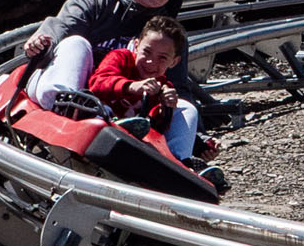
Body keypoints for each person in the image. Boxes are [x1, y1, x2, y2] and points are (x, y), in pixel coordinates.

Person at [22, 0, 206, 155]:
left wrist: (199, 137)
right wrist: (43, 41)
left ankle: (177, 162)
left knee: (186, 108)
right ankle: (70, 110)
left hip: (115, 107)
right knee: (77, 43)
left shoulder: (166, 33)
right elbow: (61, 29)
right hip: (59, 87)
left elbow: (178, 87)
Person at [82, 15, 210, 160]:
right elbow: (97, 84)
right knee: (103, 109)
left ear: (173, 62)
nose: (151, 62)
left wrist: (165, 110)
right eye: (146, 52)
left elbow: (158, 127)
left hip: (133, 140)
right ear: (136, 46)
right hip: (98, 124)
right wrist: (131, 86)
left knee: (186, 109)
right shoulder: (120, 58)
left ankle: (178, 161)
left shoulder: (163, 86)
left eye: (162, 58)